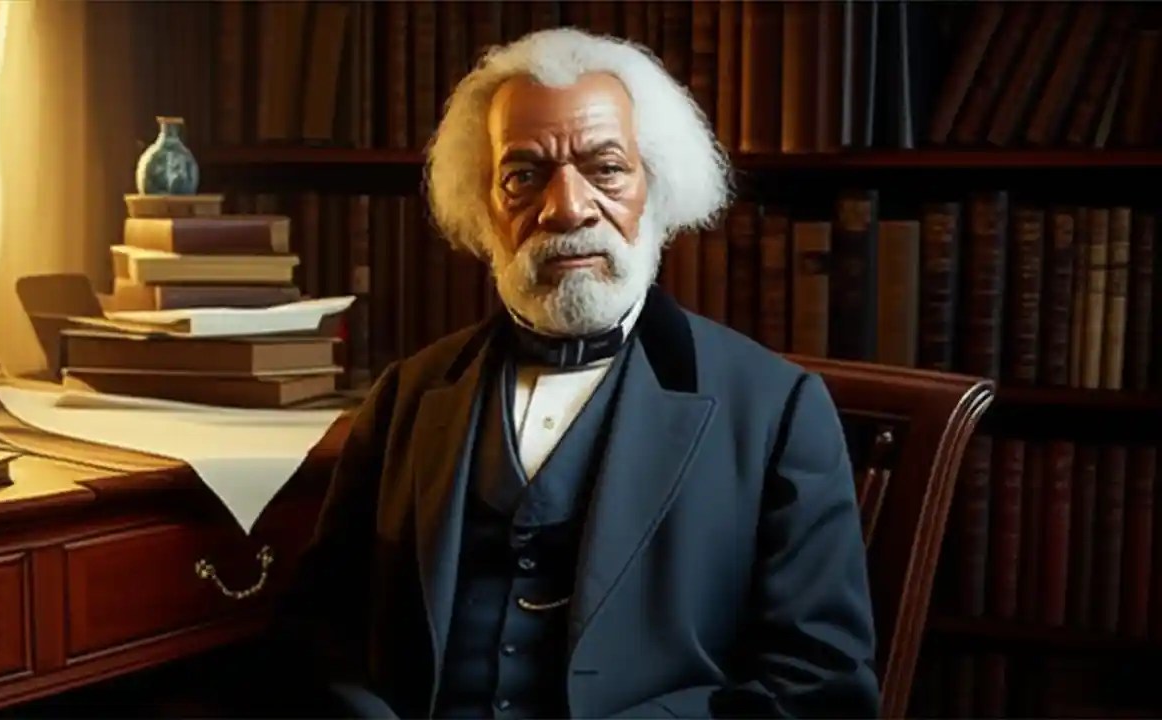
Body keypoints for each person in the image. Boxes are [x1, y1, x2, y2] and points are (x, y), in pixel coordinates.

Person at [273, 27, 879, 719]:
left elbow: (821, 688)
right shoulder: (406, 396)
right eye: (524, 174)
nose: (567, 207)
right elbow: (319, 637)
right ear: (486, 207)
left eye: (606, 167)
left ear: (656, 185)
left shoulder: (778, 410)